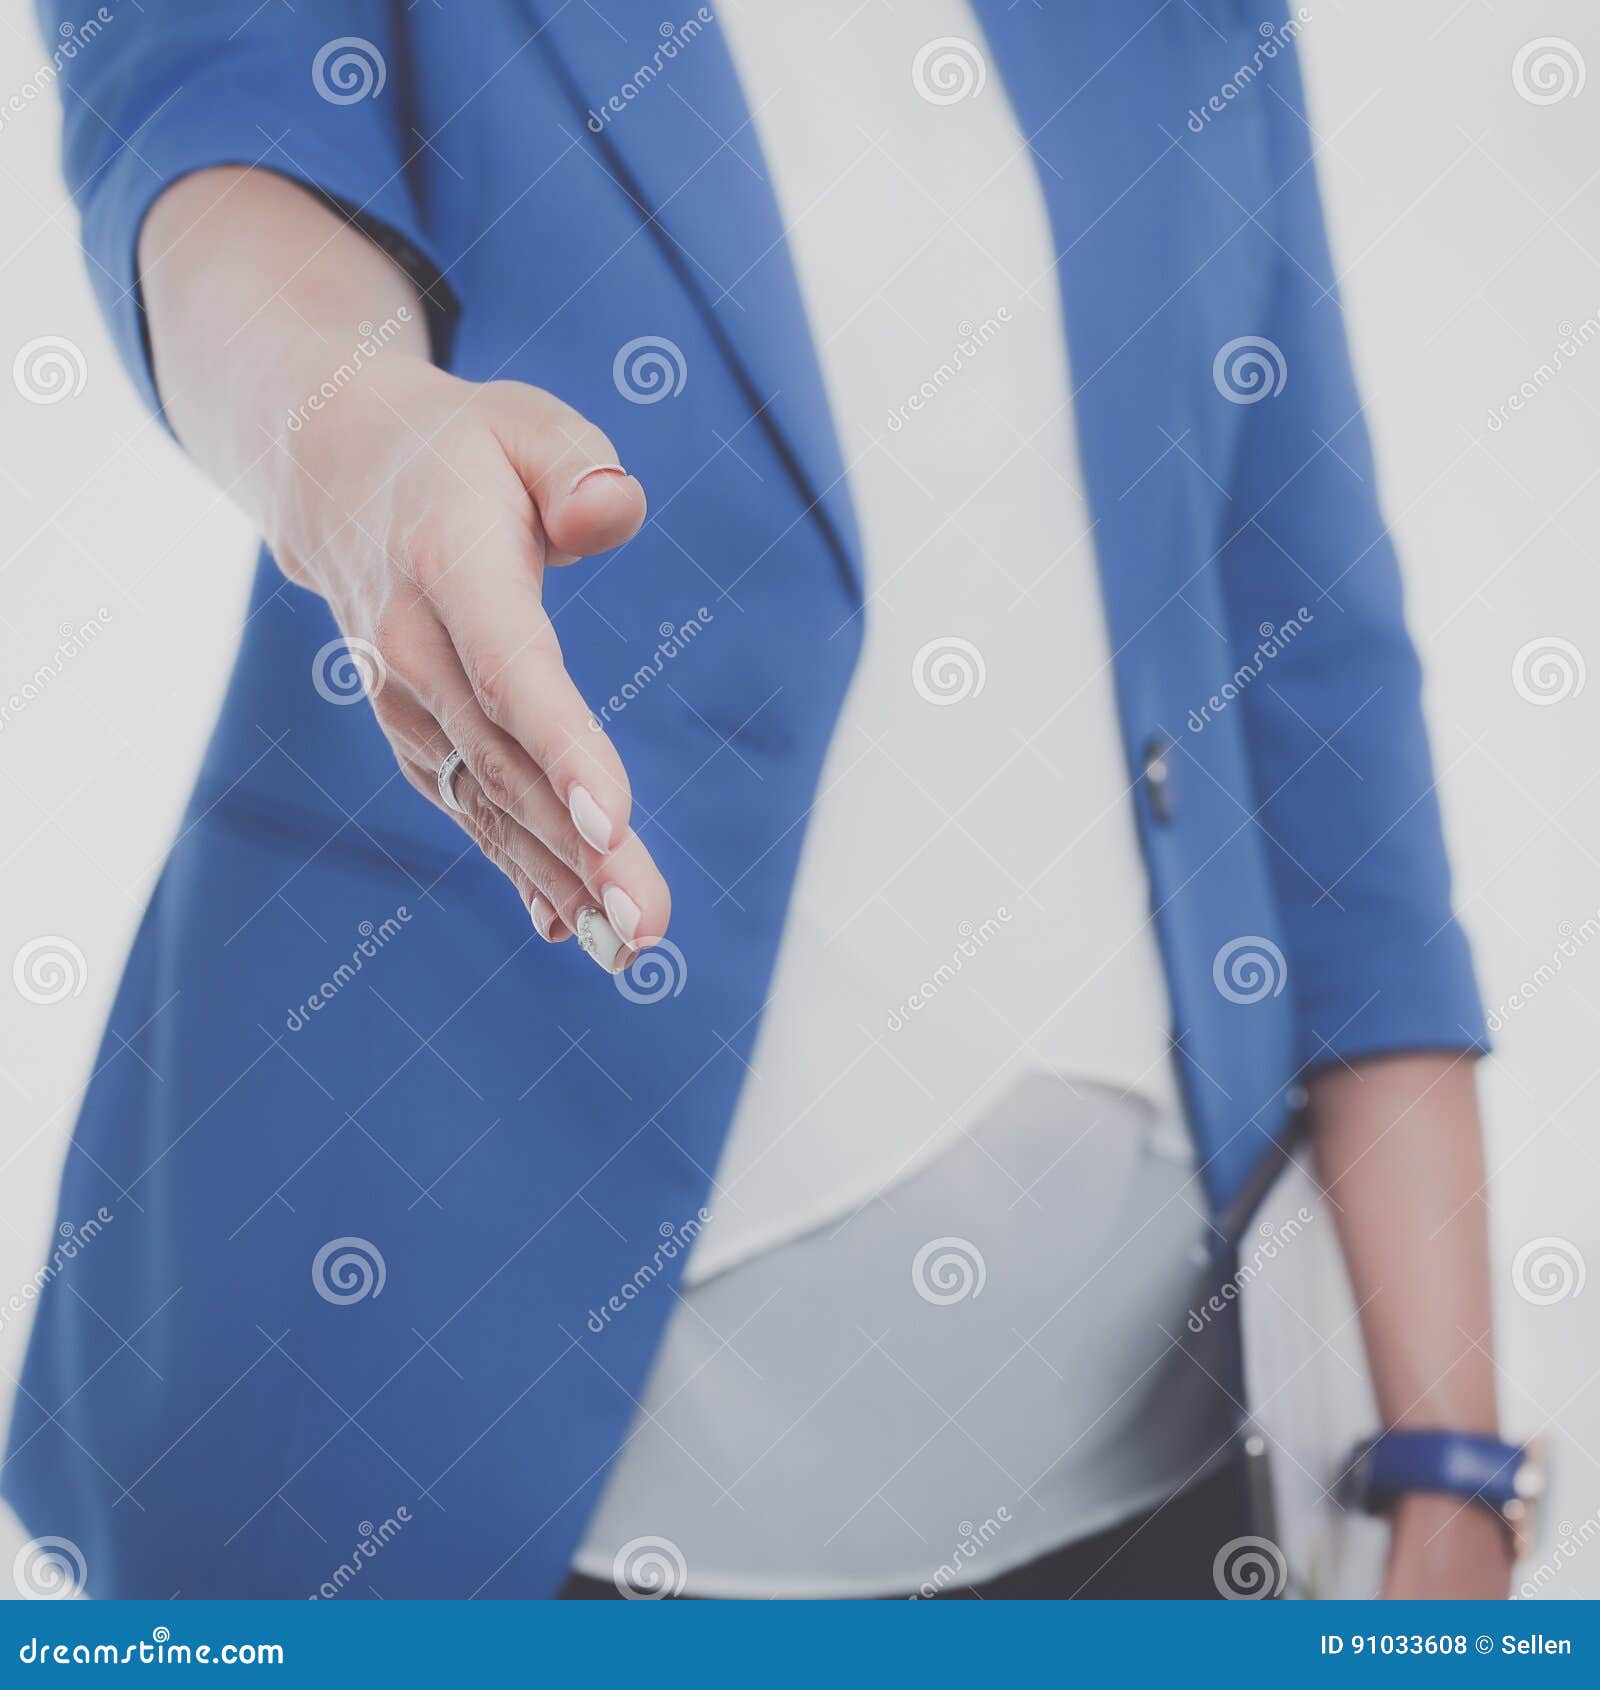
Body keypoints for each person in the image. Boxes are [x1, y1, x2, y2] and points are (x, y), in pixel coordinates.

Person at [5, 0, 1524, 1599]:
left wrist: (1455, 1461)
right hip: (464, 1464)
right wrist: (357, 433)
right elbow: (213, 160)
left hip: (1159, 1494)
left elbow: (1319, 686)